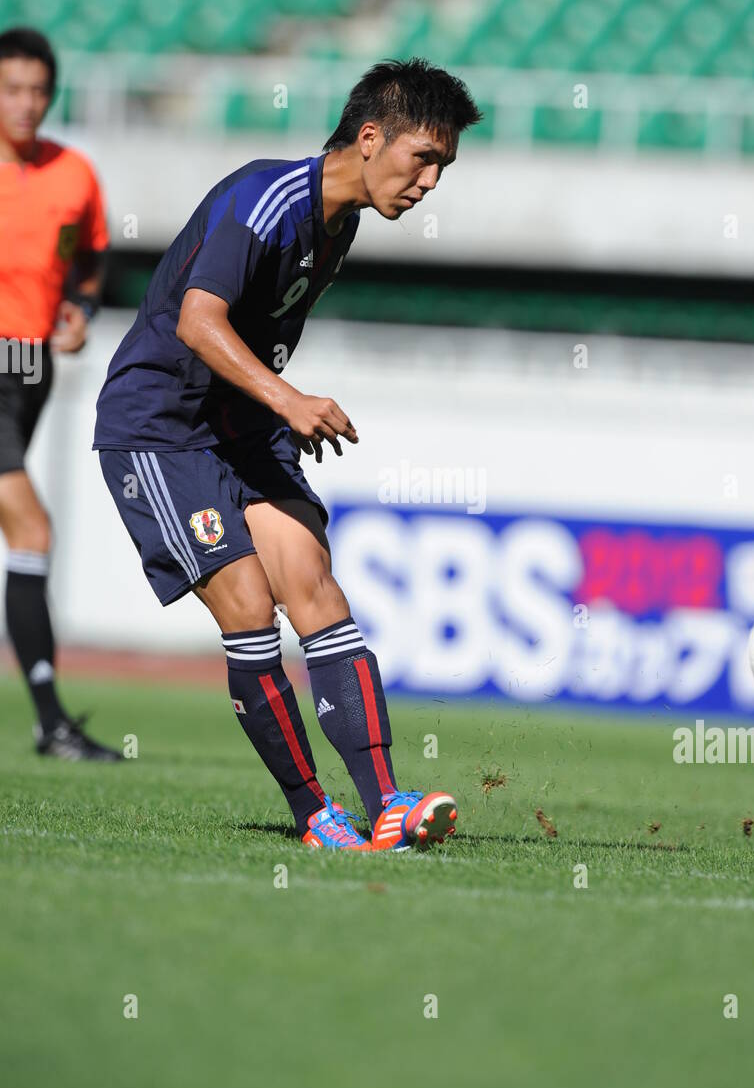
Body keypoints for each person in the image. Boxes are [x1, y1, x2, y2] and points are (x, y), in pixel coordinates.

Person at [93, 58, 482, 849]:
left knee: (314, 586)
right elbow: (199, 322)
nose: (431, 181)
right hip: (160, 428)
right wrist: (289, 399)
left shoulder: (340, 225)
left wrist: (272, 412)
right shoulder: (264, 199)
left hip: (242, 427)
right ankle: (314, 814)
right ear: (370, 138)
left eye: (442, 165)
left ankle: (386, 806)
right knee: (248, 607)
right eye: (425, 158)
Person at [0, 26, 119, 761]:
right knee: (32, 527)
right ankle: (50, 721)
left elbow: (87, 258)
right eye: (12, 89)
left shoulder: (74, 174)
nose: (26, 103)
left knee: (23, 534)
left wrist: (81, 307)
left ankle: (49, 721)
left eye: (38, 90)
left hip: (29, 368)